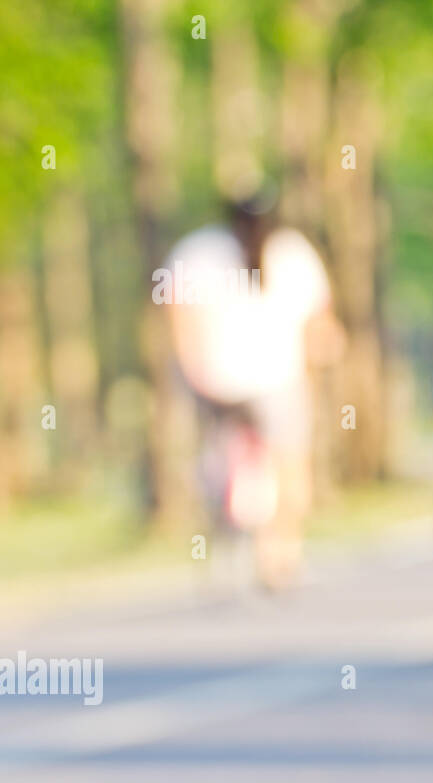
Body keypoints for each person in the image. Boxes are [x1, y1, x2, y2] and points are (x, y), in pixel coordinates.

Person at [163, 196, 345, 589]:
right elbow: (321, 324)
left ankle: (255, 547)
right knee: (290, 464)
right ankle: (278, 552)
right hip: (263, 379)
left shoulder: (202, 252)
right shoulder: (289, 253)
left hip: (227, 380)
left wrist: (193, 373)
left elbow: (178, 318)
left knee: (244, 460)